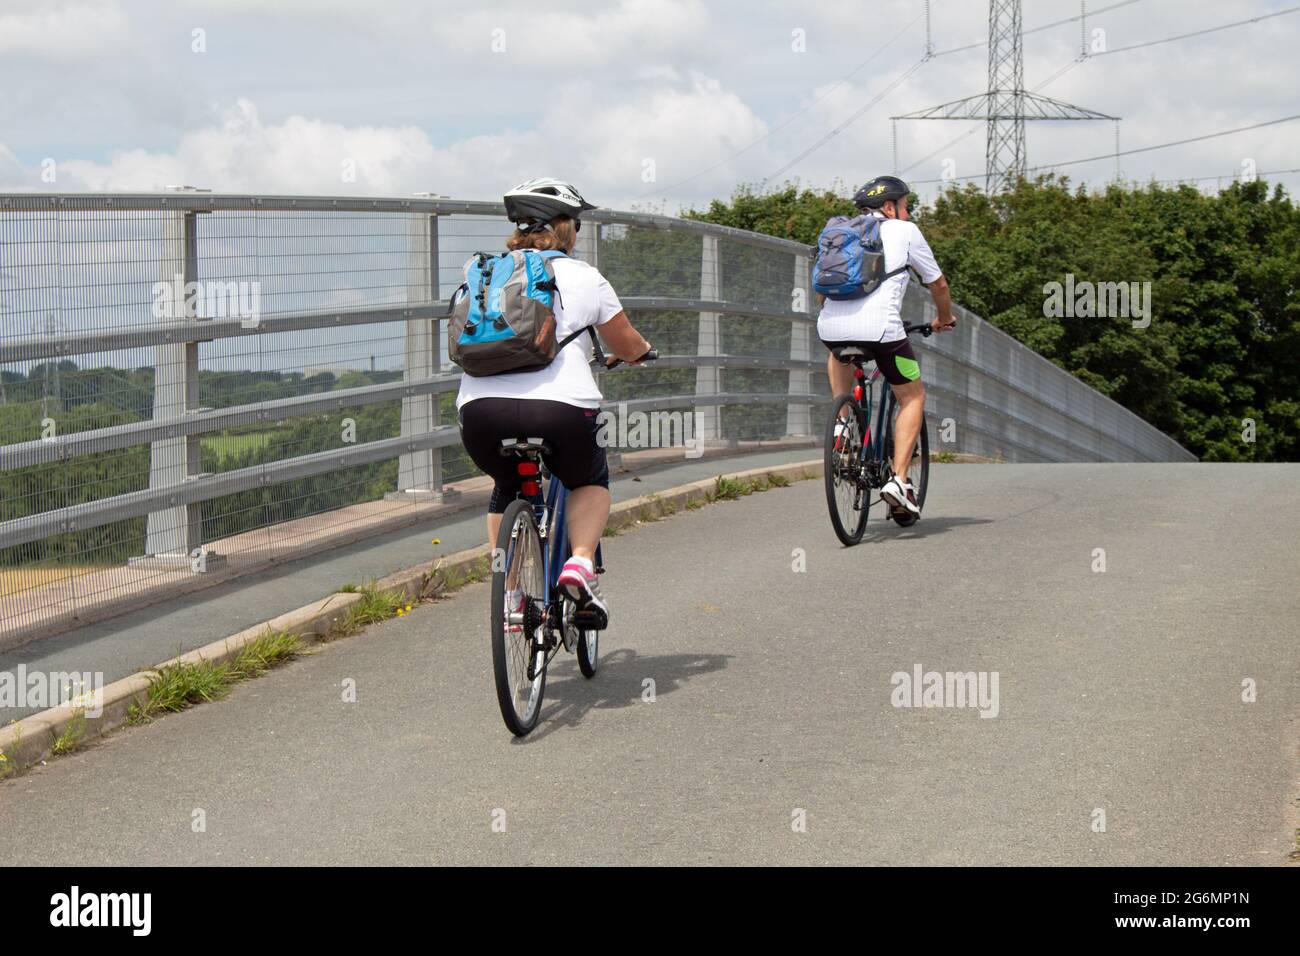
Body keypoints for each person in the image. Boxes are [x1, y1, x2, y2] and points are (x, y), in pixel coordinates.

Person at [456, 178, 652, 627]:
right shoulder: (585, 277)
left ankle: (509, 598)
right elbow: (625, 341)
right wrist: (639, 352)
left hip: (480, 411)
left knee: (507, 488)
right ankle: (581, 563)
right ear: (566, 230)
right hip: (561, 409)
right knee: (589, 478)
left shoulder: (483, 273)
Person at [816, 175, 956, 515]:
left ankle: (842, 423)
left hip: (831, 327)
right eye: (905, 206)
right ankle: (899, 479)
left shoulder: (838, 231)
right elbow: (937, 283)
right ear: (890, 207)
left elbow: (822, 288)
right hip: (882, 331)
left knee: (840, 351)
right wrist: (944, 318)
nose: (907, 214)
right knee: (913, 396)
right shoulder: (905, 232)